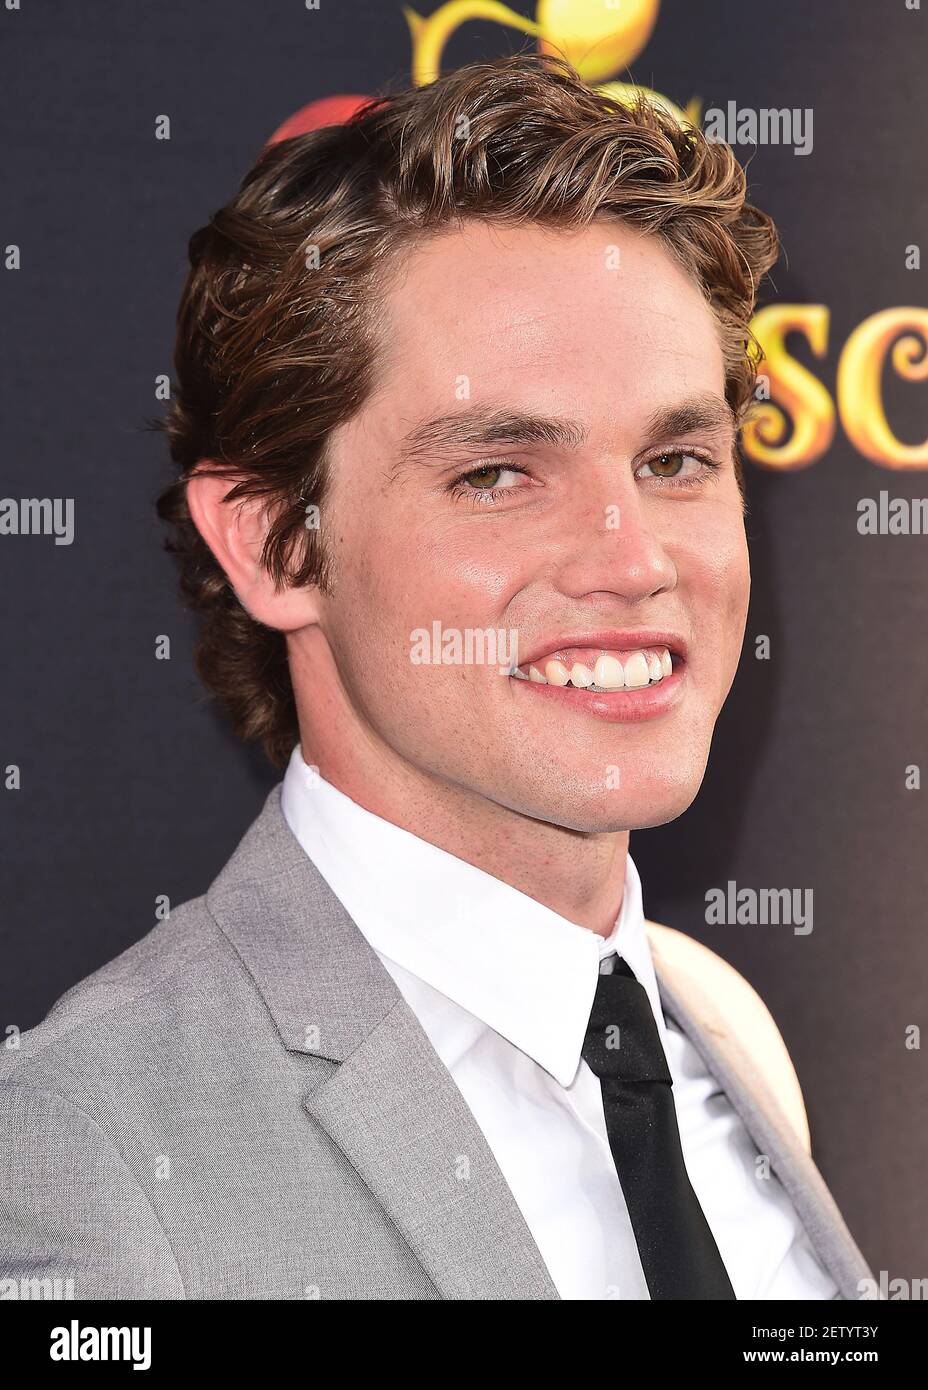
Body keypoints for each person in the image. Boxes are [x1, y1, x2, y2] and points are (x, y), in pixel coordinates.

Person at [0, 53, 873, 1300]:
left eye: (676, 458)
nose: (632, 560)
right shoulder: (80, 1155)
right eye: (497, 473)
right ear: (275, 541)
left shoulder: (719, 1036)